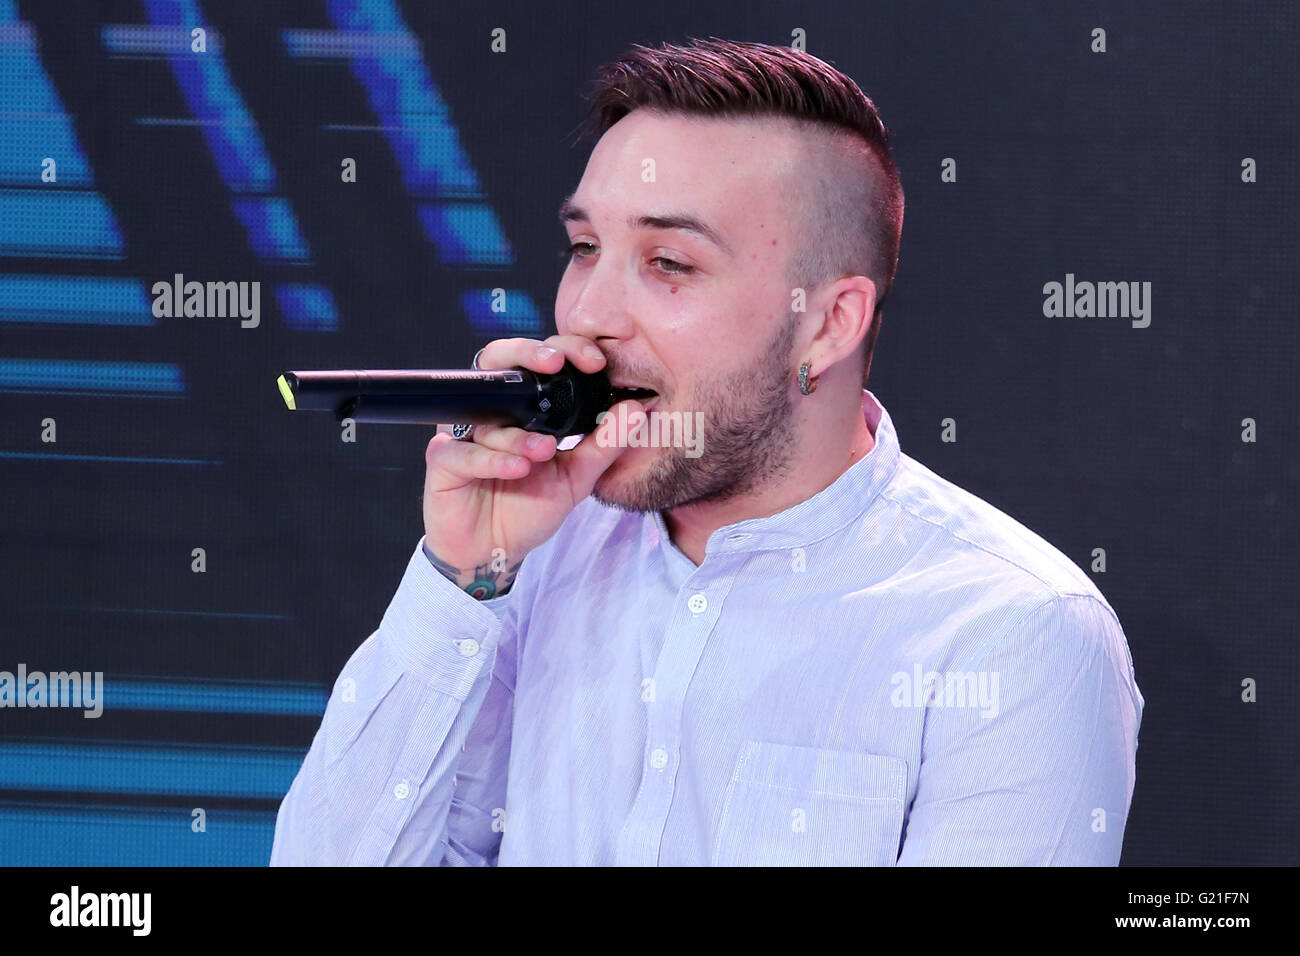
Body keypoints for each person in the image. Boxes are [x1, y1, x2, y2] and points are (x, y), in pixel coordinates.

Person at [271, 37, 1143, 866]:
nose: (586, 315)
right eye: (585, 249)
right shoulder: (531, 562)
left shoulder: (1013, 635)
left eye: (669, 262)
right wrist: (460, 579)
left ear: (829, 323)